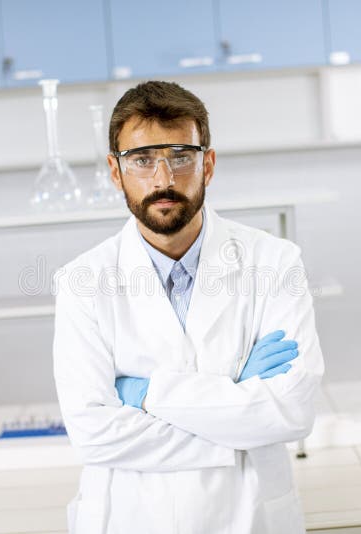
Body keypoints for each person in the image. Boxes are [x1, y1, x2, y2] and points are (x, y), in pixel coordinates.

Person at [53, 80, 324, 534]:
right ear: (116, 171)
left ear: (208, 164)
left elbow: (292, 412)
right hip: (130, 519)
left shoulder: (275, 263)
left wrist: (147, 395)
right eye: (142, 160)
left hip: (249, 517)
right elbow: (93, 434)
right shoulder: (82, 282)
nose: (163, 179)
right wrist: (235, 399)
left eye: (181, 156)